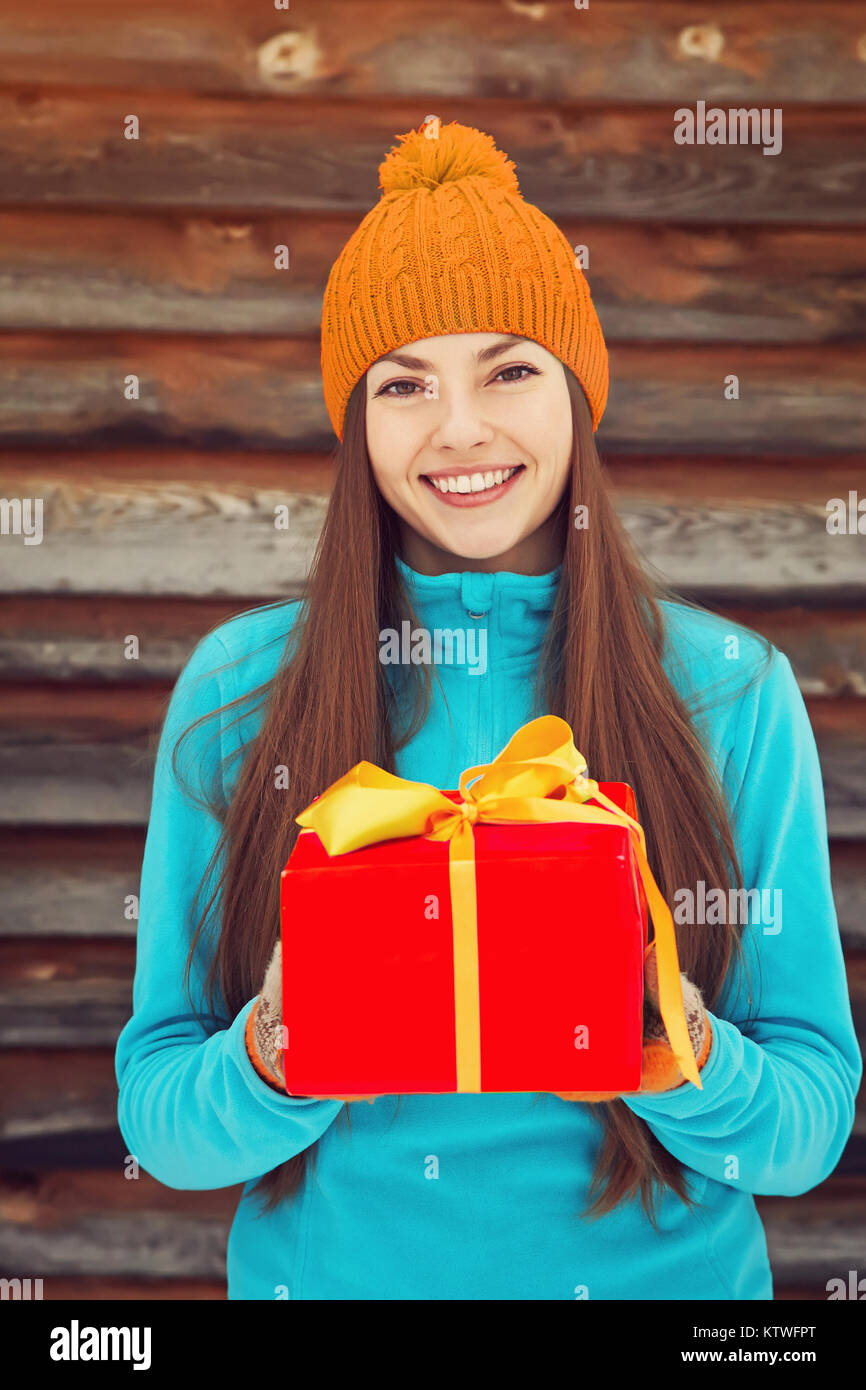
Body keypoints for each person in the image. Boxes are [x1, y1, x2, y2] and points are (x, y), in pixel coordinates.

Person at [115, 121, 861, 1300]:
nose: (458, 428)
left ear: (576, 392)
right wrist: (271, 1048)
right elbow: (162, 1124)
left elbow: (805, 1130)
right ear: (357, 423)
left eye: (508, 370)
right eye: (404, 385)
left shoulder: (730, 690)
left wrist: (681, 1049)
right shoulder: (235, 689)